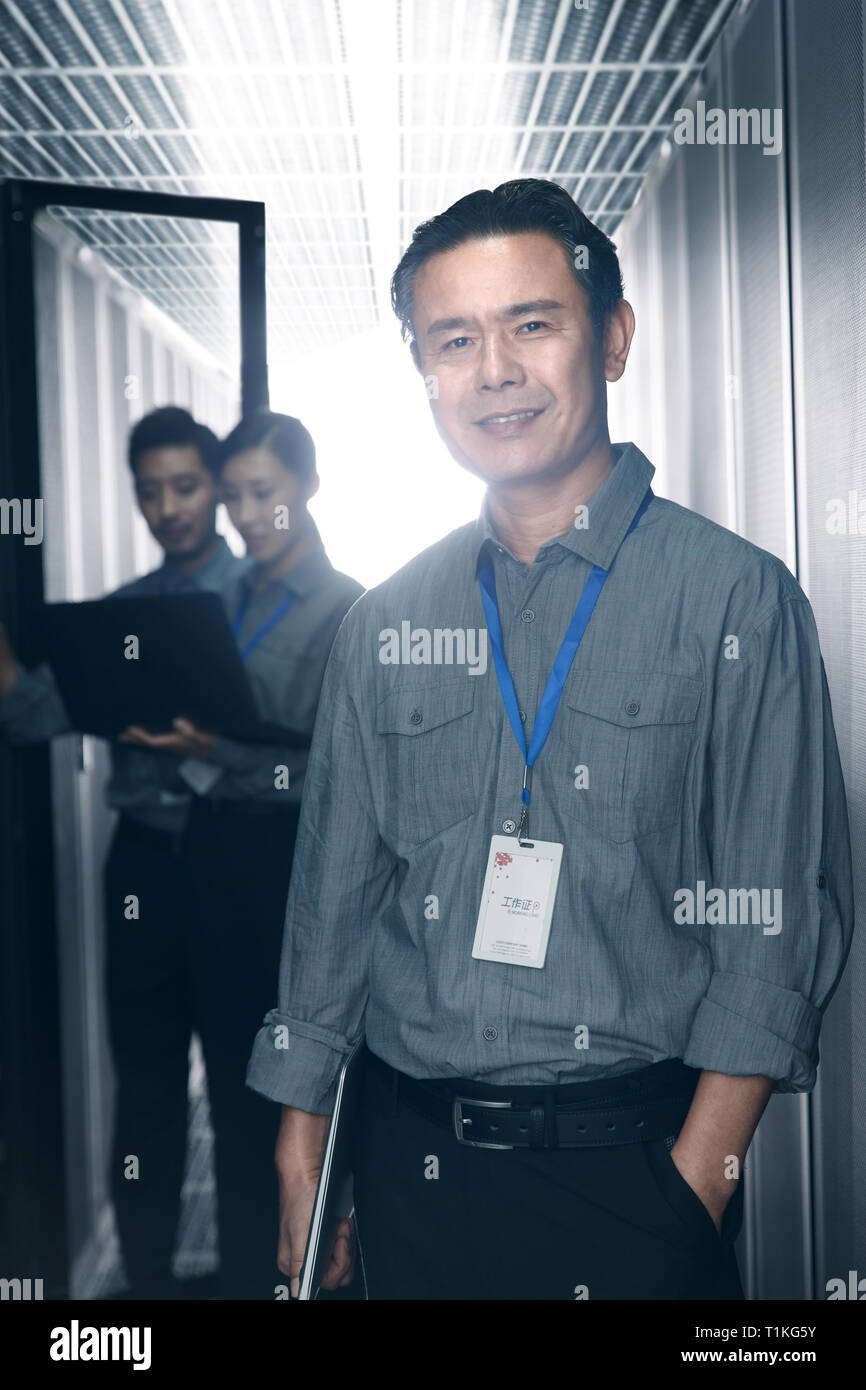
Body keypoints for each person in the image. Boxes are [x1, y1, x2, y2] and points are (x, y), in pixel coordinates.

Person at [245, 179, 856, 1302]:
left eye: (532, 323)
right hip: (407, 1165)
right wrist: (304, 1147)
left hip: (632, 1171)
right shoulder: (384, 622)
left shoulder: (735, 601)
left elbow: (775, 923)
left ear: (610, 338)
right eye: (453, 339)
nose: (492, 371)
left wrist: (690, 1192)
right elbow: (329, 912)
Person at [0, 405, 249, 1300]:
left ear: (216, 487)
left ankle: (252, 1280)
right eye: (151, 491)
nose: (169, 507)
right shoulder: (114, 621)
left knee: (240, 1086)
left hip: (240, 869)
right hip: (142, 869)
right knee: (144, 1089)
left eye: (185, 486)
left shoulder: (263, 601)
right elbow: (29, 717)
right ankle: (144, 1296)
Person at [123, 410, 364, 1298]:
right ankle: (238, 1280)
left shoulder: (350, 609)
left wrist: (213, 756)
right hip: (219, 876)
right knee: (228, 1096)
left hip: (291, 881)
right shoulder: (225, 601)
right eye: (232, 498)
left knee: (288, 1100)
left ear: (305, 486)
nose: (246, 514)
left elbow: (330, 782)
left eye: (264, 493)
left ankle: (301, 1280)